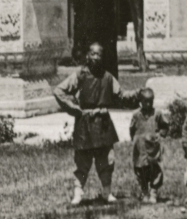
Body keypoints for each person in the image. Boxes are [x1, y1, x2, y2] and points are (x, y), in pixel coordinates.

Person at [53, 41, 142, 206]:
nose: (96, 57)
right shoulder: (80, 74)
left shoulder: (108, 78)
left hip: (103, 124)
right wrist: (72, 107)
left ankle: (107, 192)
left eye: (99, 54)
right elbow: (59, 90)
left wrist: (138, 93)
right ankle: (78, 193)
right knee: (82, 160)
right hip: (85, 123)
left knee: (106, 159)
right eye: (93, 54)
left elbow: (122, 95)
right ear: (87, 56)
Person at [129, 87, 170, 204]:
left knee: (155, 169)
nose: (148, 104)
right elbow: (131, 129)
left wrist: (161, 134)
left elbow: (165, 125)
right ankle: (144, 191)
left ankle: (153, 191)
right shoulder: (136, 115)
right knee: (140, 169)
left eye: (150, 101)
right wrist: (135, 140)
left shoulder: (157, 114)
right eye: (145, 101)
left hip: (153, 148)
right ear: (140, 101)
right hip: (140, 148)